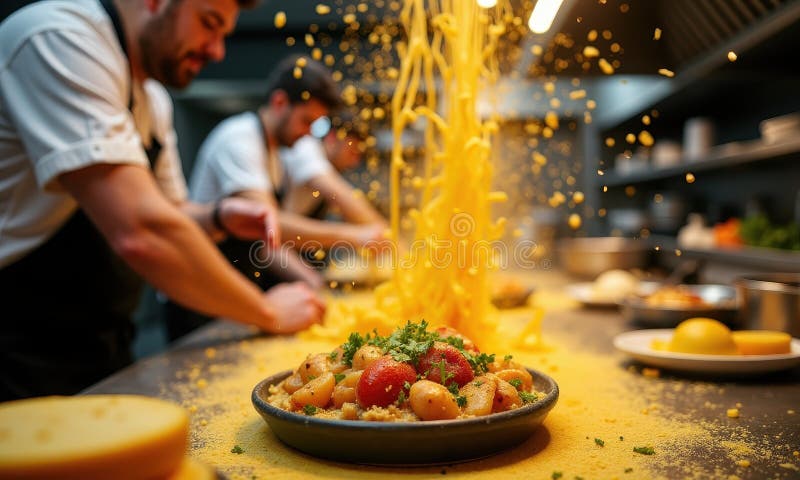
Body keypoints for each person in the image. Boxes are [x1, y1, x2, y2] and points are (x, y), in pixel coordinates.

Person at [0, 0, 325, 401]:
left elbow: (172, 211)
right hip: (19, 343)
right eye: (209, 24)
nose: (217, 50)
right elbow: (142, 231)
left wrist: (219, 217)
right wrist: (268, 312)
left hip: (103, 334)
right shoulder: (58, 38)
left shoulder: (153, 99)